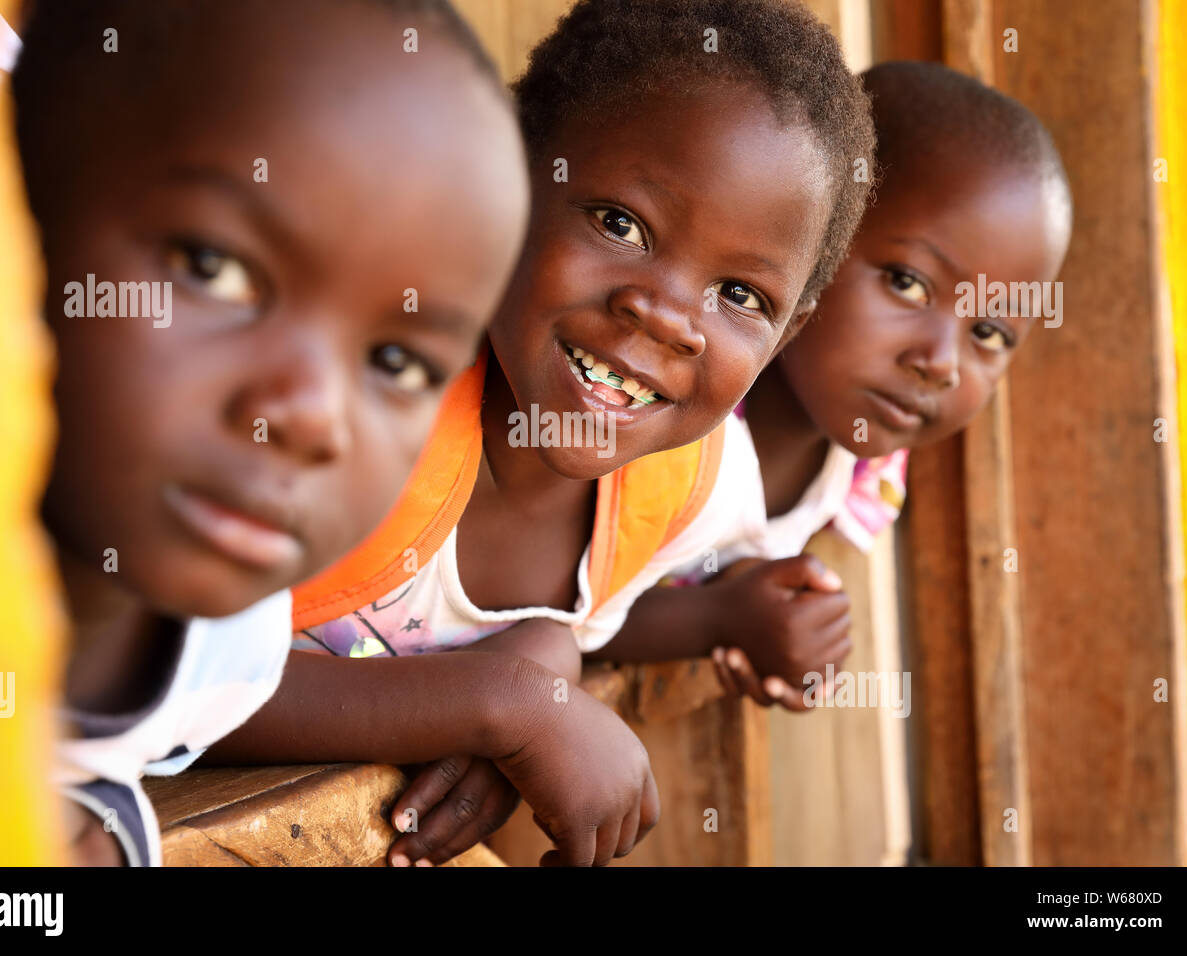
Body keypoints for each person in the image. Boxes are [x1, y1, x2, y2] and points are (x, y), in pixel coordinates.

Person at [212, 0, 876, 868]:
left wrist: (543, 660)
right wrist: (504, 704)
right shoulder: (362, 397)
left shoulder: (684, 487)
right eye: (620, 224)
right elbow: (163, 673)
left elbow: (595, 623)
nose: (667, 316)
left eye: (742, 298)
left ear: (785, 336)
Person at [9, 0, 530, 865]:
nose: (312, 416)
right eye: (213, 270)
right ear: (6, 222)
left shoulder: (229, 649)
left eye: (398, 362)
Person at [596, 60, 1074, 711]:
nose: (941, 362)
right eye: (907, 283)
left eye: (988, 331)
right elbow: (543, 608)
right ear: (807, 238)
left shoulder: (864, 475)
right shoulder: (652, 409)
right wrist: (717, 620)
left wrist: (778, 613)